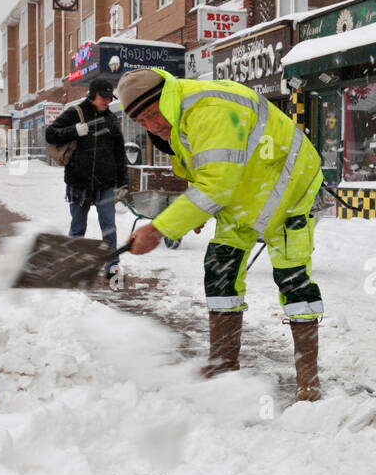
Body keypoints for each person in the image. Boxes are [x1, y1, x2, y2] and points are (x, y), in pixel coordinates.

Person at [118, 67, 326, 402]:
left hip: (290, 186)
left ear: (165, 98)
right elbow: (205, 170)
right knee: (220, 268)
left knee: (293, 279)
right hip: (244, 192)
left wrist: (159, 228)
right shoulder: (180, 118)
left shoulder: (206, 110)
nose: (152, 125)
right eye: (142, 121)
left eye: (153, 114)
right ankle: (223, 366)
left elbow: (216, 184)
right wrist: (199, 208)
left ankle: (309, 382)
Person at [45, 75, 129, 280]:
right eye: (104, 97)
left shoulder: (111, 119)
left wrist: (123, 182)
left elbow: (119, 153)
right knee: (78, 227)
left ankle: (112, 265)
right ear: (93, 95)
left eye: (110, 98)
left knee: (109, 226)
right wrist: (73, 130)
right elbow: (50, 134)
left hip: (106, 183)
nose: (107, 101)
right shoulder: (76, 113)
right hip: (79, 181)